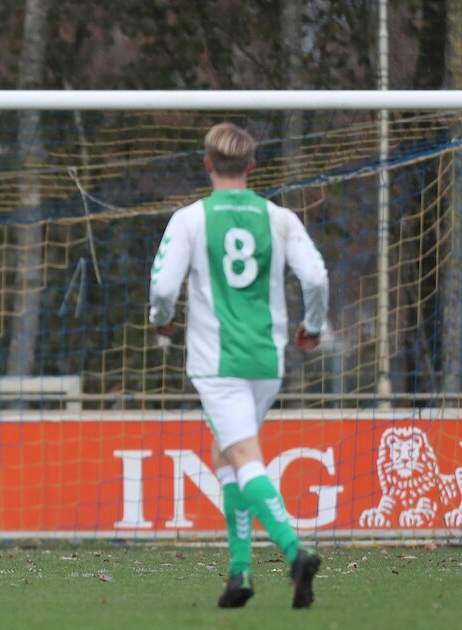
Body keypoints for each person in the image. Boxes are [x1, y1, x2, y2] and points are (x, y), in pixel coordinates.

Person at [148, 123, 329, 610]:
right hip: (267, 359)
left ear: (207, 164)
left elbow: (164, 287)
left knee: (244, 457)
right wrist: (314, 325)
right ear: (251, 166)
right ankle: (238, 574)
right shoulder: (279, 218)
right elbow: (315, 275)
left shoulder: (190, 219)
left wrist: (160, 321)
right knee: (225, 454)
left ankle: (294, 553)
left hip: (217, 362)